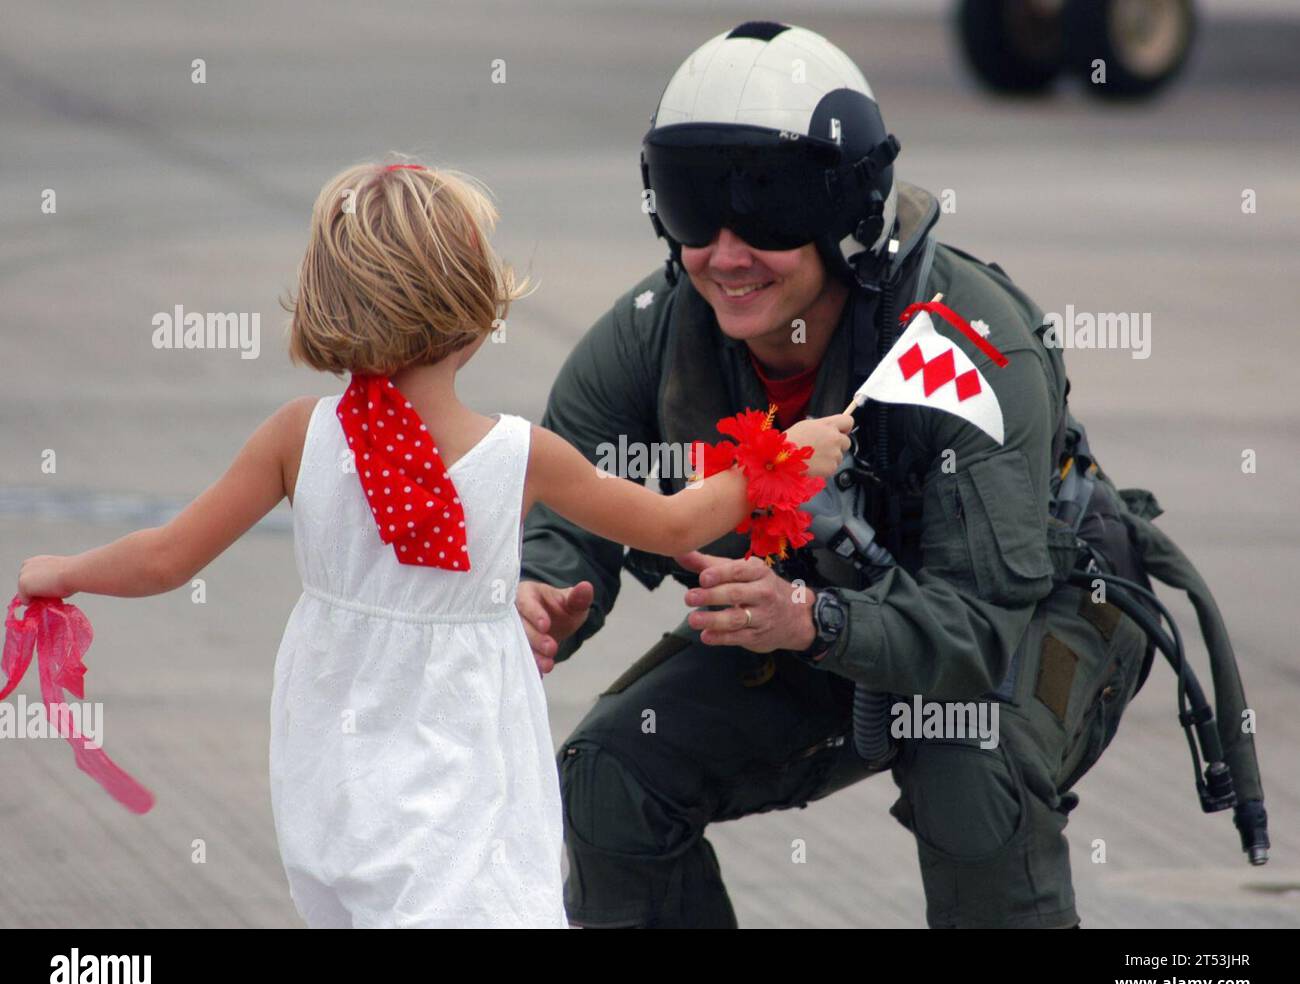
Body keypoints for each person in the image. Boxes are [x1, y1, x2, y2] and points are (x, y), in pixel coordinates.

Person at [15, 160, 852, 928]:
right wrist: (781, 460)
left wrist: (64, 570)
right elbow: (674, 525)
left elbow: (167, 558)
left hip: (333, 748)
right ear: (475, 307)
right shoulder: (520, 454)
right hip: (456, 741)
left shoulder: (297, 436)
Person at [517, 21, 1142, 929]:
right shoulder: (657, 335)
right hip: (810, 614)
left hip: (1022, 611)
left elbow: (978, 625)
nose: (725, 254)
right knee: (612, 773)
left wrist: (814, 619)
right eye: (694, 204)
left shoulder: (961, 348)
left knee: (968, 766)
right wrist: (543, 595)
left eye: (767, 206)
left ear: (848, 212)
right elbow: (570, 508)